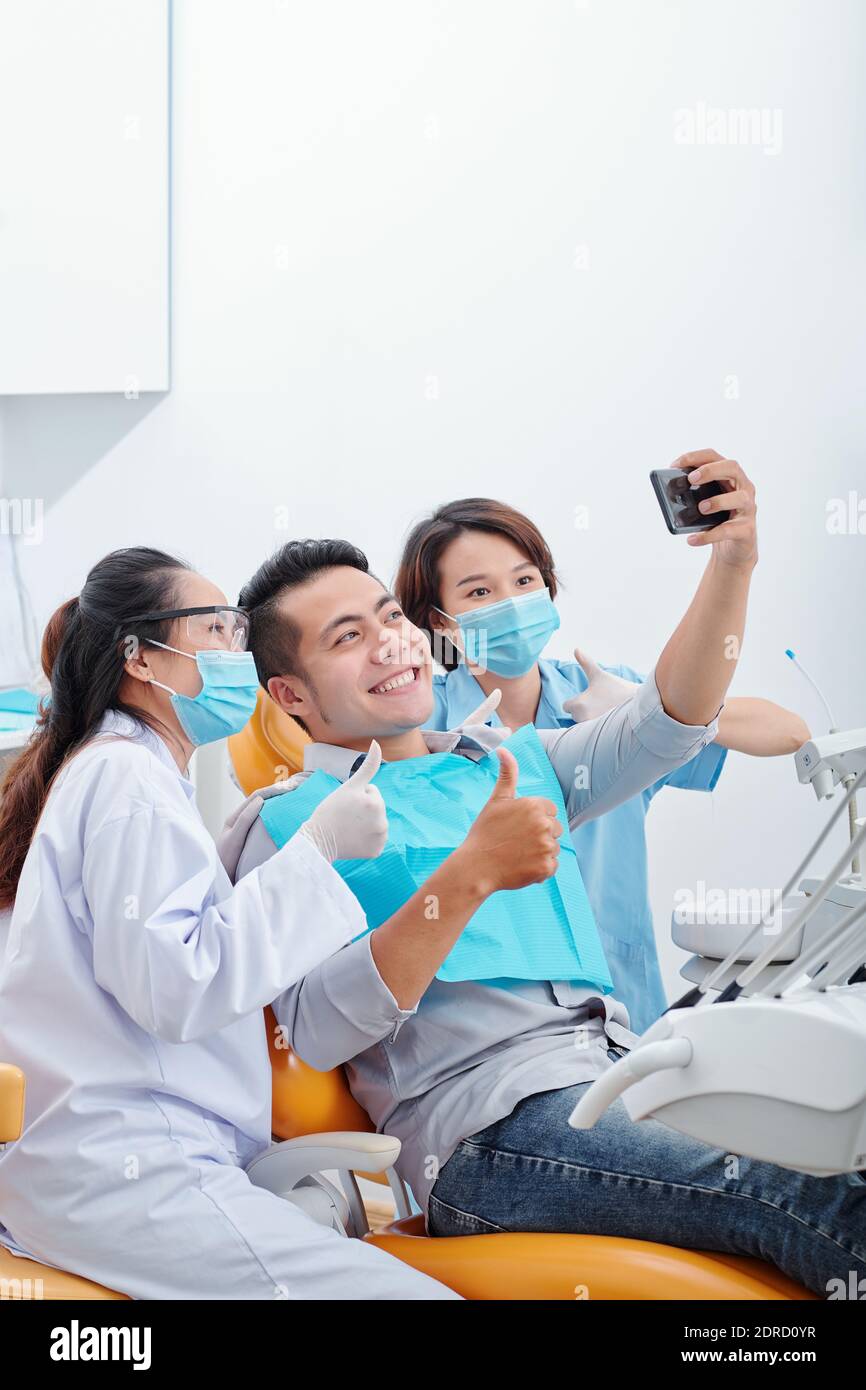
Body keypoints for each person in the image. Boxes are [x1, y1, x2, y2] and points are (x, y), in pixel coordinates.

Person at [231, 456, 866, 1298]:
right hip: (487, 1137)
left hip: (620, 1073)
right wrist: (463, 880)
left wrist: (731, 563)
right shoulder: (285, 822)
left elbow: (669, 720)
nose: (388, 642)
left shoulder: (516, 761)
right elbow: (312, 1029)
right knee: (811, 1198)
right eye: (347, 638)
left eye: (387, 617)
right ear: (292, 694)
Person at [0, 546, 556, 1299]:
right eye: (219, 630)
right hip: (130, 1167)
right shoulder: (126, 778)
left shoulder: (131, 774)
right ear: (142, 658)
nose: (240, 653)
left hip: (143, 1160)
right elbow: (178, 988)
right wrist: (319, 850)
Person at [393, 477, 810, 1032]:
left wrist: (649, 715)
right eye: (479, 593)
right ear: (441, 623)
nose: (512, 604)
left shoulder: (605, 695)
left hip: (627, 1012)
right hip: (502, 1036)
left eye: (524, 581)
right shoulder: (421, 728)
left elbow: (788, 732)